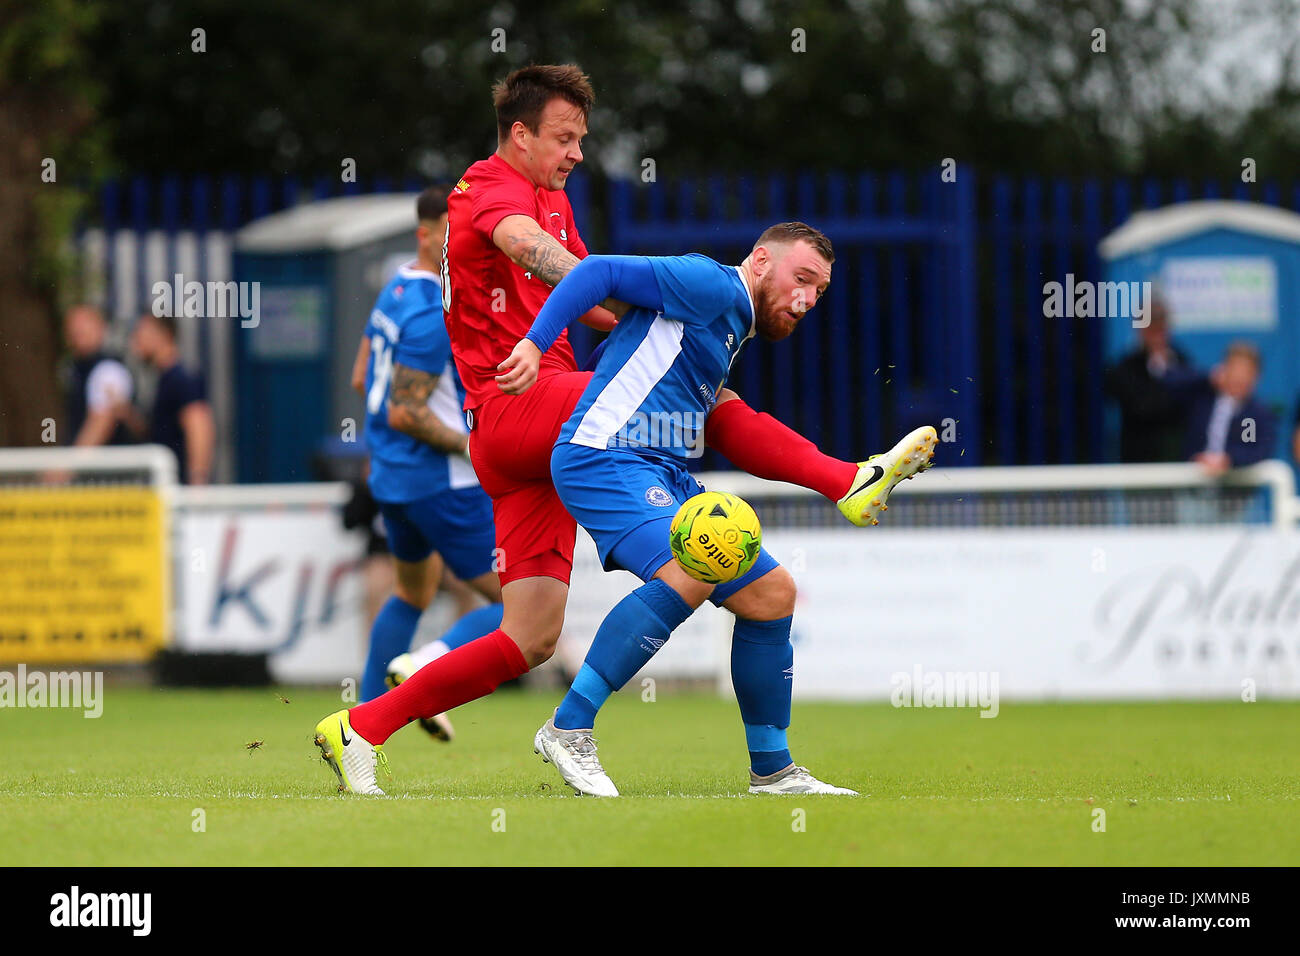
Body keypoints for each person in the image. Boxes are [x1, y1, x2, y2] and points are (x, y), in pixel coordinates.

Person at [312, 66, 919, 795]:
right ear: (520, 134)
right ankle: (841, 481)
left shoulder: (553, 196)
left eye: (581, 140)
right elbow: (556, 262)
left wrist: (647, 306)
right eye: (564, 138)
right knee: (700, 449)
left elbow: (602, 299)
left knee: (533, 637)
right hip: (518, 403)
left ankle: (361, 728)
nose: (576, 153)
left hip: (534, 425)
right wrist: (617, 307)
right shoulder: (487, 191)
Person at [520, 224, 936, 796]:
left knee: (772, 594)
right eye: (802, 279)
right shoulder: (710, 283)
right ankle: (568, 726)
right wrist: (534, 345)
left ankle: (773, 770)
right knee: (693, 565)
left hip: (660, 469)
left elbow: (718, 417)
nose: (807, 299)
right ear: (761, 261)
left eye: (819, 292)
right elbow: (597, 273)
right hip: (605, 456)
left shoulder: (729, 322)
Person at [338, 185, 505, 753]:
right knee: (518, 607)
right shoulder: (435, 310)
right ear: (427, 234)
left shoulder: (395, 290)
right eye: (450, 236)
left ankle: (359, 724)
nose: (460, 247)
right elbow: (405, 409)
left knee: (413, 592)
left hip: (390, 478)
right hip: (439, 484)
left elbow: (363, 378)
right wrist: (471, 445)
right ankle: (425, 665)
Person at [1102, 297, 1192, 463]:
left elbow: (1187, 405)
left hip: (1175, 458)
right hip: (1138, 459)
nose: (1157, 334)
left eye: (1160, 327)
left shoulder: (1181, 361)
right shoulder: (1126, 367)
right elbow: (1140, 407)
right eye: (1150, 327)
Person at [128, 313, 215, 484]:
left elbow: (199, 428)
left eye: (141, 334)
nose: (135, 343)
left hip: (179, 489)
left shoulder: (181, 378)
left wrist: (198, 483)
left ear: (164, 335)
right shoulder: (162, 379)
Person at [1181, 342, 1277, 475]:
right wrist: (1207, 378)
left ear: (1256, 377)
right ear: (1223, 370)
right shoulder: (1201, 399)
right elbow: (1168, 380)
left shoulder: (1258, 414)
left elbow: (1258, 451)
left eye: (1246, 372)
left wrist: (1227, 460)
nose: (1239, 377)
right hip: (1189, 483)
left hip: (1236, 491)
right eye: (1235, 369)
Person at [62, 304, 135, 448]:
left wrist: (68, 465)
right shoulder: (74, 369)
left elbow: (100, 423)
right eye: (73, 328)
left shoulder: (108, 370)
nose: (77, 331)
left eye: (84, 327)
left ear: (100, 329)